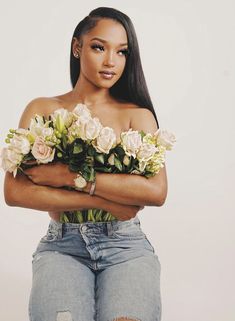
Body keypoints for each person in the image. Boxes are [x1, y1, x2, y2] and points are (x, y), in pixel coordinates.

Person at [4, 6, 167, 321]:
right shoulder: (43, 109)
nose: (110, 61)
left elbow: (156, 192)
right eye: (99, 47)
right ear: (77, 47)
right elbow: (15, 192)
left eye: (121, 52)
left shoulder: (137, 115)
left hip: (126, 248)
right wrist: (109, 198)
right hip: (62, 246)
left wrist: (70, 176)